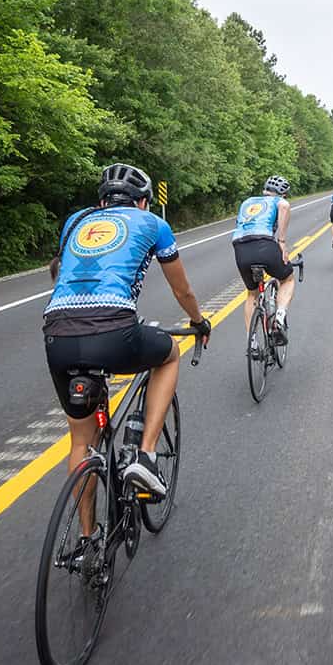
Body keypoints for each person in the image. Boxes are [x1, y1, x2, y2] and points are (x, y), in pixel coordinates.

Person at [44, 163, 210, 503]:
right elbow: (182, 290)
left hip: (57, 334)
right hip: (115, 330)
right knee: (168, 354)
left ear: (102, 202)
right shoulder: (154, 223)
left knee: (81, 442)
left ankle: (87, 534)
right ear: (143, 202)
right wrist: (198, 322)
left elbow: (60, 274)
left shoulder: (75, 221)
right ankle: (145, 455)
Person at [231, 175, 298, 347]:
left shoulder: (247, 202)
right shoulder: (278, 201)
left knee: (252, 293)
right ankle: (279, 318)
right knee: (288, 279)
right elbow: (284, 206)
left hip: (240, 246)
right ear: (283, 194)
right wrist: (282, 242)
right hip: (264, 244)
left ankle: (251, 341)